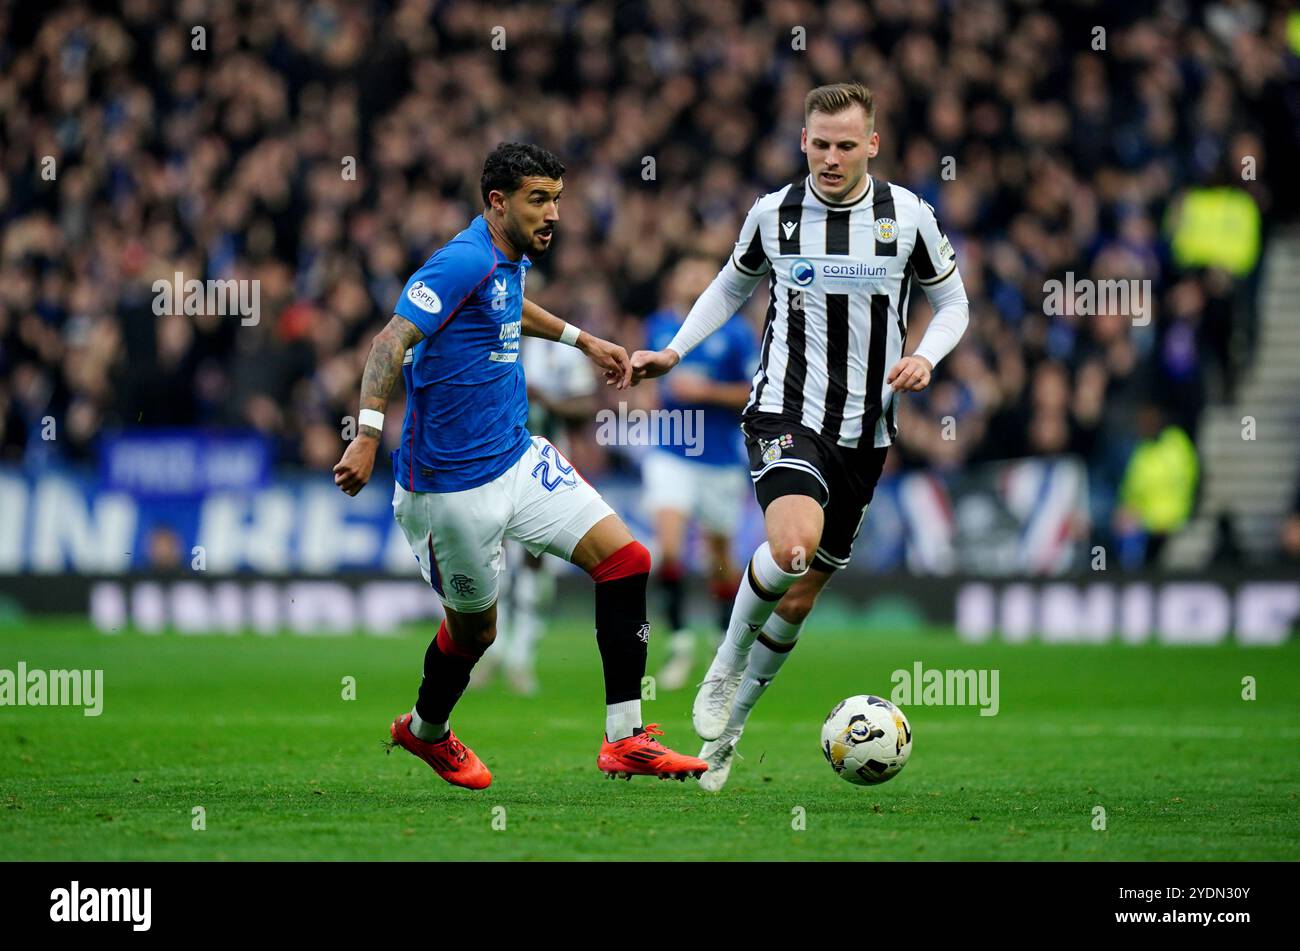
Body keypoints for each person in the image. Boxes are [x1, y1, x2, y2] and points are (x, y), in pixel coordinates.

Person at [333, 142, 706, 788]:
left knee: (626, 560)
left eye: (558, 198)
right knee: (476, 633)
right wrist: (366, 435)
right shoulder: (462, 260)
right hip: (449, 491)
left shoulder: (507, 258)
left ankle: (625, 738)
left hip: (518, 455)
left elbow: (506, 307)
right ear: (497, 202)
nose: (554, 212)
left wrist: (582, 339)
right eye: (540, 199)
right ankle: (426, 731)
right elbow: (389, 340)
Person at [632, 83, 970, 791]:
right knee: (790, 547)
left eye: (847, 144)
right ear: (804, 142)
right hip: (785, 411)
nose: (832, 157)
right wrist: (676, 351)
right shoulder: (774, 215)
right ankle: (723, 667)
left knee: (797, 597)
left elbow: (953, 303)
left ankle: (729, 732)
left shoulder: (908, 217)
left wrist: (925, 356)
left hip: (865, 434)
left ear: (872, 144)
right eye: (820, 143)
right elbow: (729, 286)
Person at [642, 257, 758, 691]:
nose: (691, 279)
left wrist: (705, 391)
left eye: (700, 274)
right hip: (670, 452)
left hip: (720, 459)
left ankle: (722, 648)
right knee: (668, 551)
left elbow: (754, 389)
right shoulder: (657, 325)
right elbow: (653, 384)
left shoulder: (736, 332)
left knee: (721, 562)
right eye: (686, 272)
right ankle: (679, 644)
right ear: (674, 279)